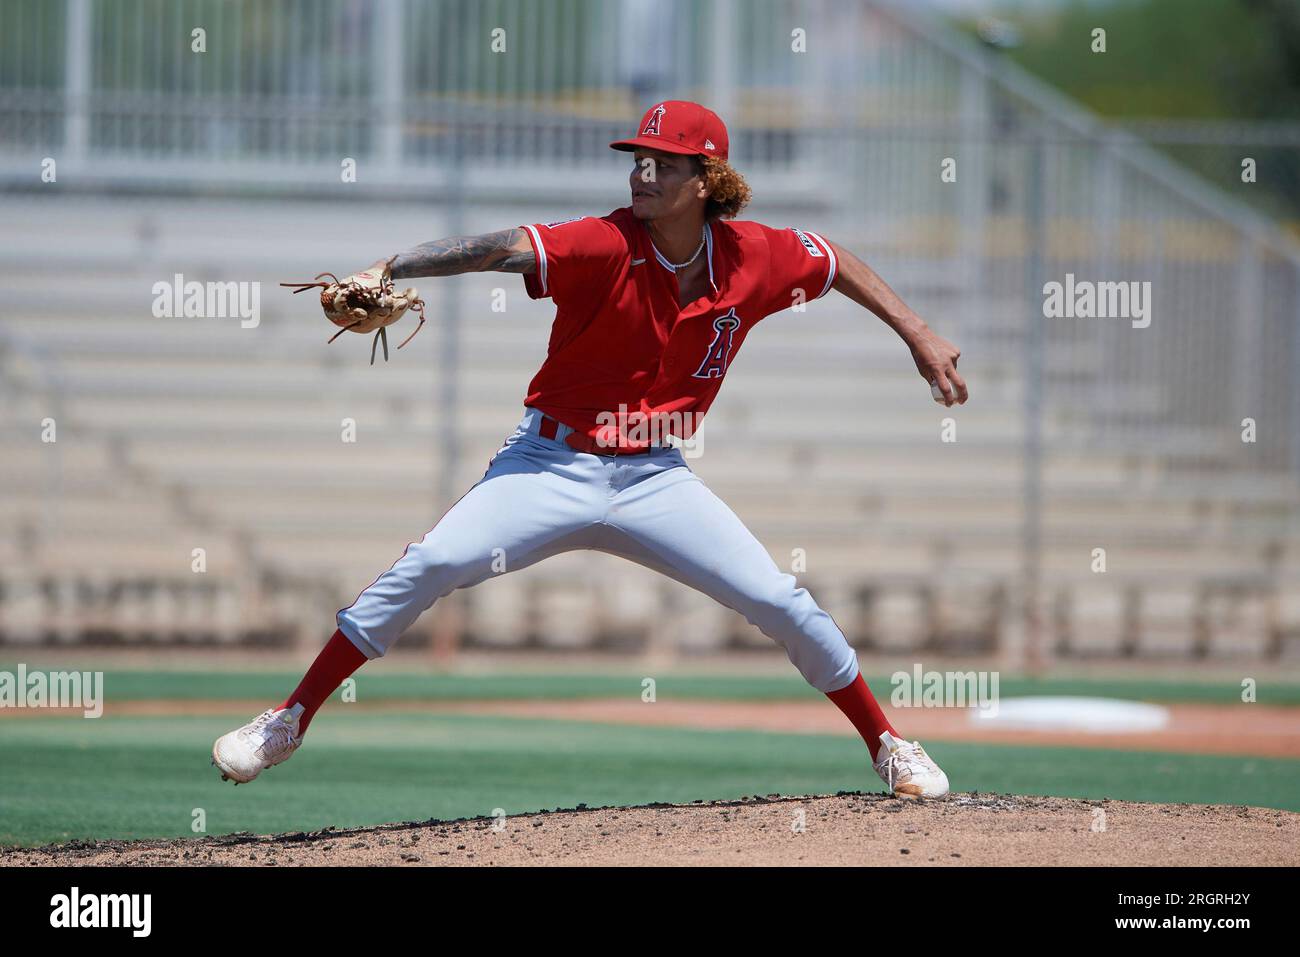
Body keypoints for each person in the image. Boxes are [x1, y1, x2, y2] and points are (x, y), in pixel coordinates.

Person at [212, 101, 967, 799]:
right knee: (431, 563)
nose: (642, 171)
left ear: (708, 181)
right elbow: (498, 248)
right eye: (637, 157)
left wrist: (919, 334)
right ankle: (287, 719)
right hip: (548, 464)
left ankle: (889, 742)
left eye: (663, 162)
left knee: (776, 599)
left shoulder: (755, 257)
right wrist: (391, 267)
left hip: (655, 477)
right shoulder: (603, 242)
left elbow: (832, 260)